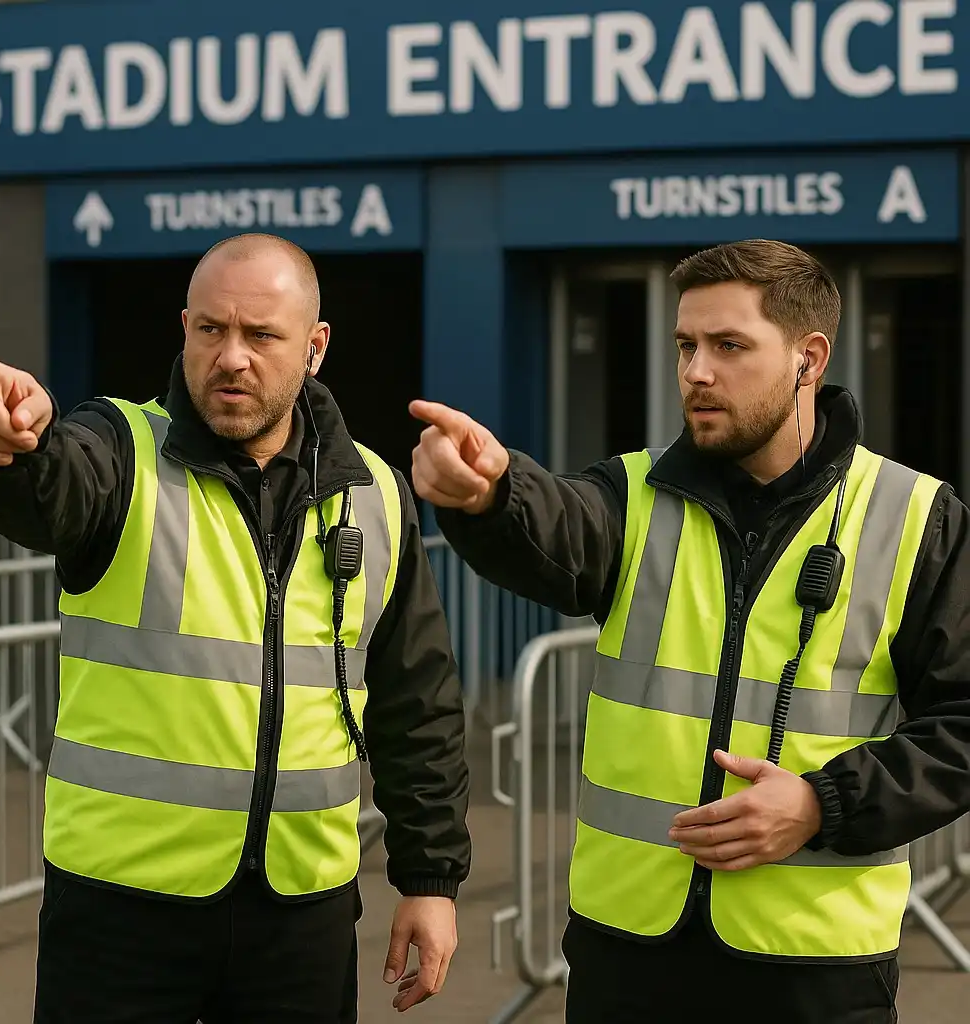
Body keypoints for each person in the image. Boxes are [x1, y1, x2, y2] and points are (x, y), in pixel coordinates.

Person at [409, 239, 970, 1023]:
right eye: (686, 346)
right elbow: (555, 527)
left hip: (816, 969)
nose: (696, 371)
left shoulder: (916, 518)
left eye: (729, 346)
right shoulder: (632, 493)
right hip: (628, 956)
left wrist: (821, 805)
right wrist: (491, 494)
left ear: (809, 359)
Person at [0, 233, 471, 1023]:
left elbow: (416, 703)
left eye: (262, 335)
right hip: (120, 913)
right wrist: (12, 451)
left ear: (315, 347)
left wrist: (429, 881)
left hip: (302, 914)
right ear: (185, 327)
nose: (232, 357)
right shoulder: (119, 450)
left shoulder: (377, 495)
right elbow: (48, 486)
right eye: (211, 331)